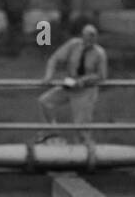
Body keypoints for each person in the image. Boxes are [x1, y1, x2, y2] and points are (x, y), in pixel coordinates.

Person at [36, 23, 108, 170]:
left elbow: (102, 76)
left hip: (85, 90)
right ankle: (53, 132)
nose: (90, 40)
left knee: (81, 125)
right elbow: (54, 58)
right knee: (44, 101)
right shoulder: (73, 45)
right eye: (88, 36)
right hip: (69, 84)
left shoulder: (99, 53)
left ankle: (85, 156)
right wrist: (48, 77)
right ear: (82, 36)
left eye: (93, 37)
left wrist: (84, 80)